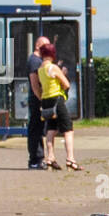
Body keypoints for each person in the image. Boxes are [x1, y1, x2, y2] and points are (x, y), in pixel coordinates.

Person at [38, 43, 79, 170]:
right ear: (52, 54)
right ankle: (70, 159)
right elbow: (66, 84)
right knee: (68, 128)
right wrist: (63, 74)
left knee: (51, 129)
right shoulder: (53, 68)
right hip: (57, 100)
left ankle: (50, 157)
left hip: (46, 100)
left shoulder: (40, 69)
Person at [26, 36, 49, 169]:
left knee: (40, 128)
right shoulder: (34, 61)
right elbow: (35, 85)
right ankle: (35, 159)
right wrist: (42, 100)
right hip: (36, 100)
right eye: (44, 45)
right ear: (37, 45)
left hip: (38, 98)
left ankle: (39, 157)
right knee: (35, 129)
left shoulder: (39, 60)